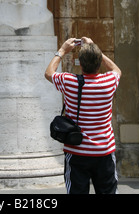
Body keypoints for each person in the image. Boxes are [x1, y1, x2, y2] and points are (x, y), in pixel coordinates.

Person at [45, 36, 121, 194]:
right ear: (99, 62)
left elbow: (49, 73)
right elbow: (116, 69)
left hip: (77, 151)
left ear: (81, 65)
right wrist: (94, 46)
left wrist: (62, 50)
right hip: (104, 152)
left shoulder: (69, 82)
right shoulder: (109, 82)